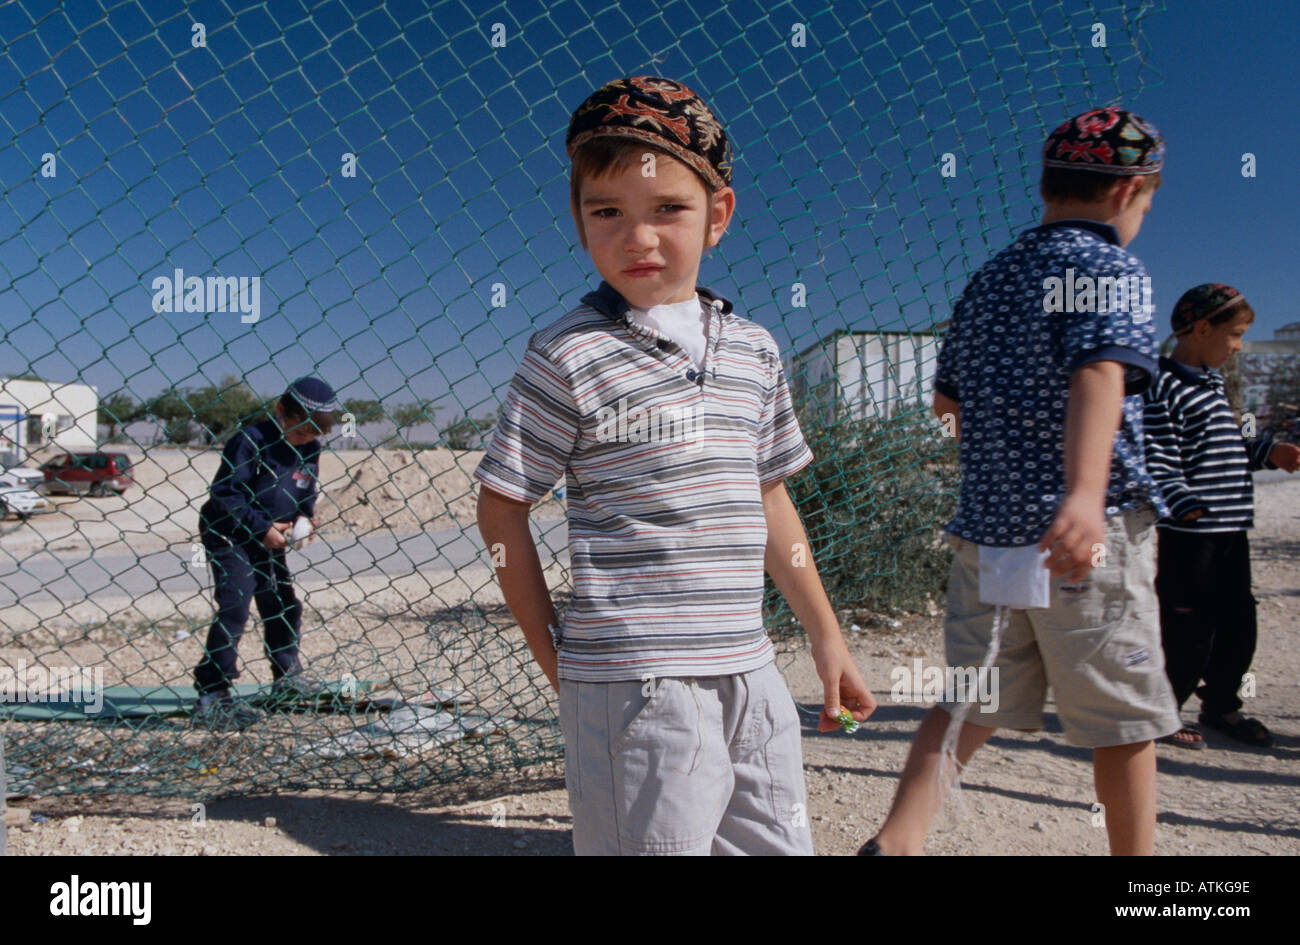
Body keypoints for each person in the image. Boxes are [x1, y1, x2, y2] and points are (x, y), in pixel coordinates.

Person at [474, 76, 874, 855]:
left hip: (751, 668)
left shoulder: (754, 349)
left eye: (668, 209)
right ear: (578, 219)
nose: (638, 237)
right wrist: (554, 655)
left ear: (717, 215)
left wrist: (826, 636)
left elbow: (770, 500)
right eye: (607, 212)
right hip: (634, 681)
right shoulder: (567, 354)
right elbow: (503, 507)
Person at [859, 107, 1181, 856]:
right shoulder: (1109, 266)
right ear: (1130, 189)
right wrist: (1079, 493)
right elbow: (1100, 368)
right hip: (1082, 537)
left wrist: (1002, 459)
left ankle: (897, 842)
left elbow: (947, 402)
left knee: (972, 699)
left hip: (988, 532)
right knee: (1124, 718)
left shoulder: (993, 276)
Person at [1143, 284, 1300, 749]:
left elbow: (1226, 448)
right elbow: (1158, 457)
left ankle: (1221, 706)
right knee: (1187, 626)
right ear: (1201, 328)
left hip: (1231, 531)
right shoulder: (1162, 384)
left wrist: (1270, 452)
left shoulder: (1212, 384)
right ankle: (1162, 711)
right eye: (1234, 334)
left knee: (1237, 623)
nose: (1238, 346)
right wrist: (1182, 502)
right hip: (1191, 536)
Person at [191, 376, 338, 731]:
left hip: (271, 537)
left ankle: (286, 677)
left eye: (312, 434)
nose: (304, 439)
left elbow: (306, 491)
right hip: (230, 533)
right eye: (299, 430)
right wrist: (263, 528)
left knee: (283, 604)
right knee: (236, 604)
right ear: (280, 411)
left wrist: (305, 517)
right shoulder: (250, 442)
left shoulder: (310, 448)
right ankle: (212, 694)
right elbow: (226, 494)